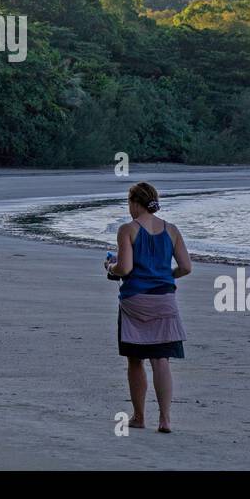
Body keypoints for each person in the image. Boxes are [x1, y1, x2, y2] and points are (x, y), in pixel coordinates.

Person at [104, 181, 191, 433]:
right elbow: (186, 267)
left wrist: (110, 267)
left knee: (135, 360)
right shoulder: (171, 230)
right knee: (161, 360)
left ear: (134, 202)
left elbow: (125, 269)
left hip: (135, 301)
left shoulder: (127, 230)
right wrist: (164, 276)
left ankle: (139, 416)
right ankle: (165, 419)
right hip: (164, 299)